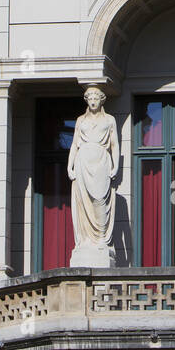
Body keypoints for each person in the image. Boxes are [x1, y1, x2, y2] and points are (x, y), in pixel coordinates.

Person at [68, 86, 120, 266]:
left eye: (96, 98)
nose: (93, 101)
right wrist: (70, 166)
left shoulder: (109, 120)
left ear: (101, 100)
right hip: (82, 161)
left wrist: (116, 165)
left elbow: (114, 144)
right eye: (90, 98)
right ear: (86, 100)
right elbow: (74, 144)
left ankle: (101, 239)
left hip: (102, 161)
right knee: (84, 202)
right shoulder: (80, 120)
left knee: (99, 200)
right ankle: (85, 241)